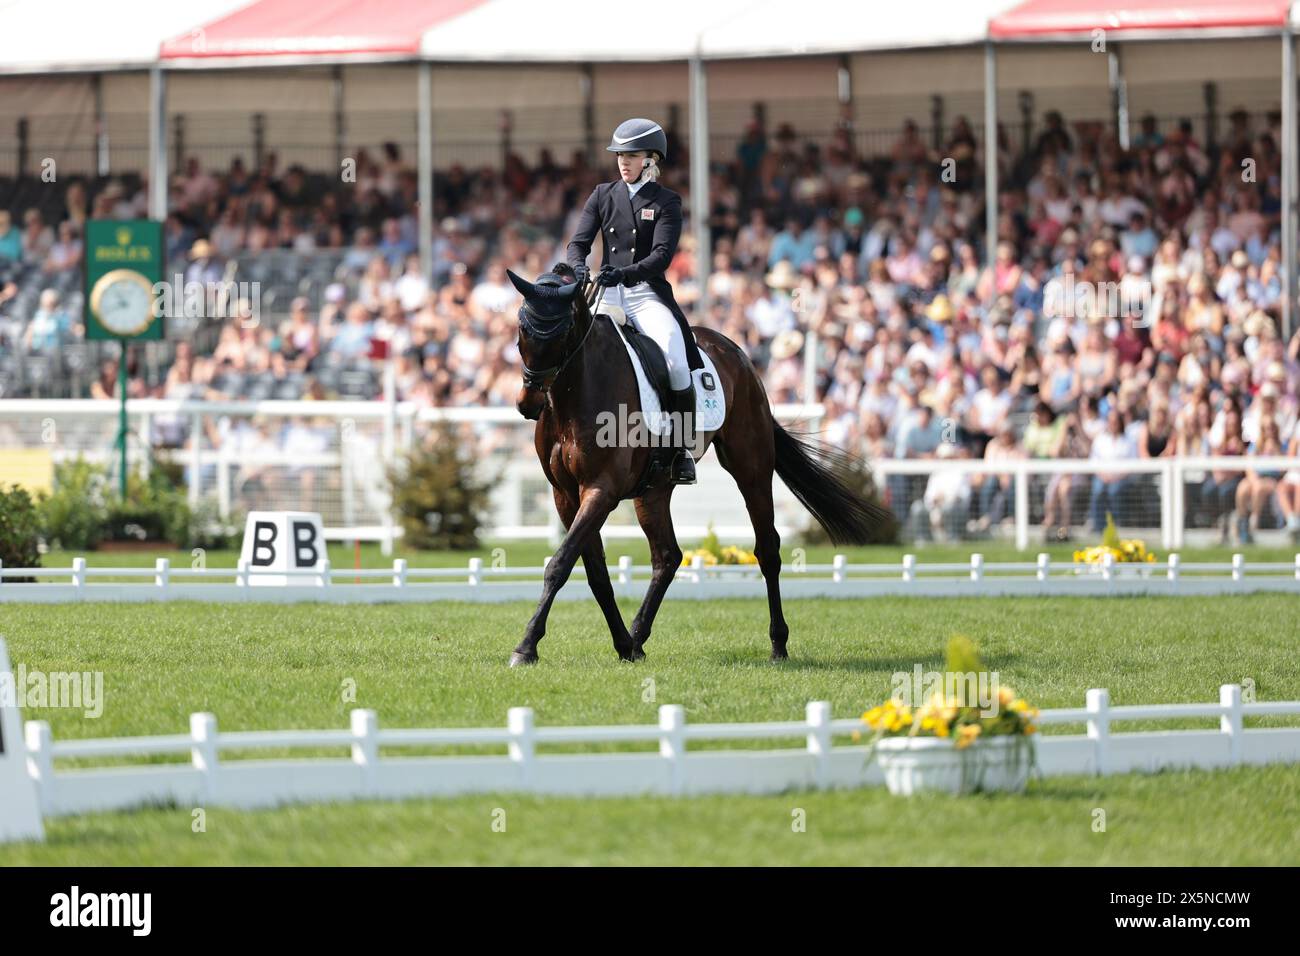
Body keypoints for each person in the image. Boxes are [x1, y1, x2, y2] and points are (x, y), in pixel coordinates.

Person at [567, 117, 699, 484]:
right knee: (569, 347)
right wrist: (580, 269)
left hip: (644, 293)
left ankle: (679, 450)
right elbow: (578, 244)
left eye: (632, 155)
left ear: (650, 159)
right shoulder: (602, 195)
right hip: (605, 293)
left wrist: (625, 273)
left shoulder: (666, 201)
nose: (623, 162)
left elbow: (661, 256)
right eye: (619, 155)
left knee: (674, 358)